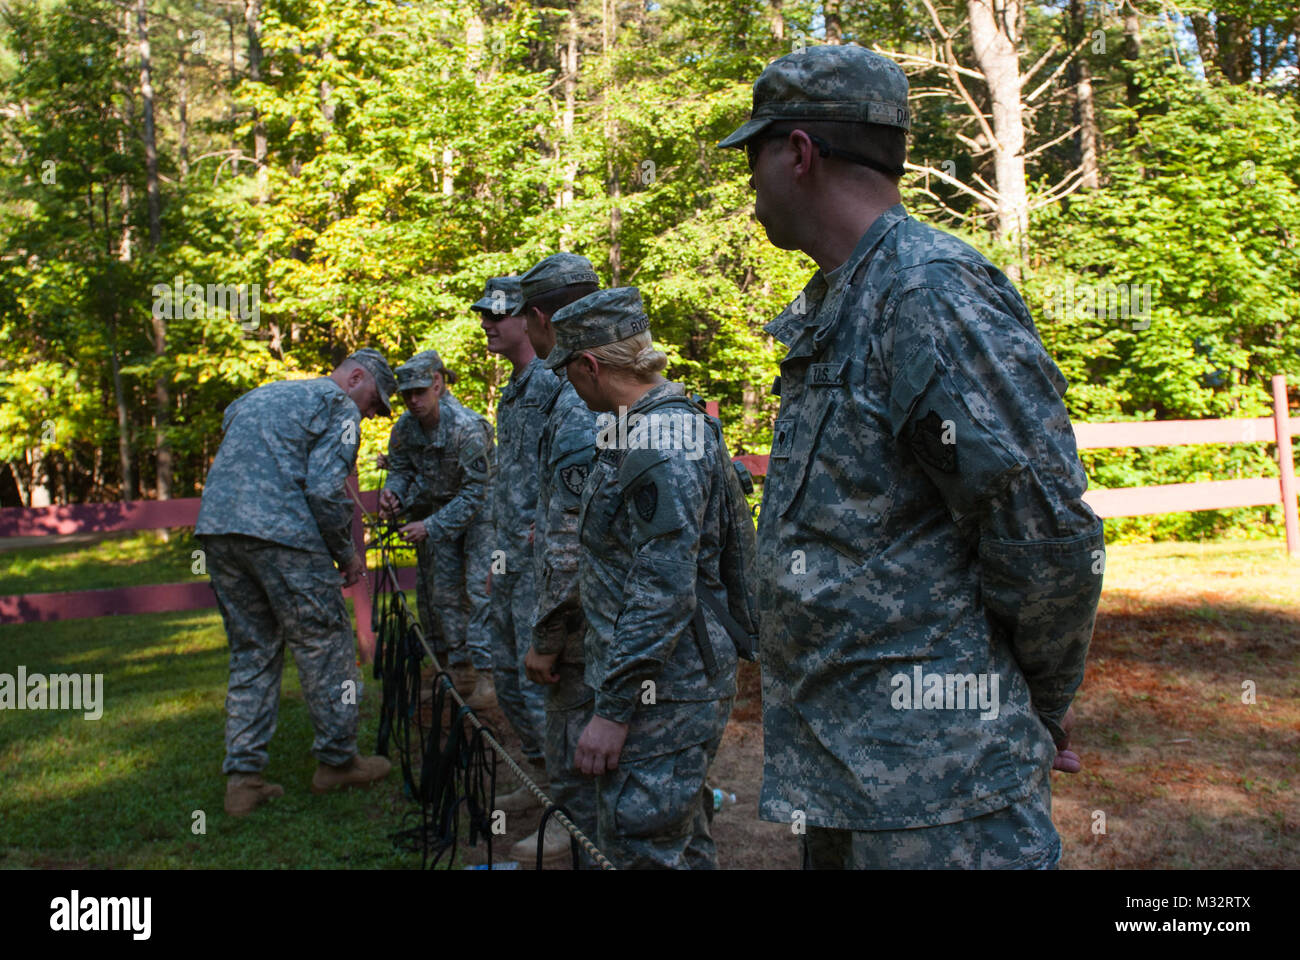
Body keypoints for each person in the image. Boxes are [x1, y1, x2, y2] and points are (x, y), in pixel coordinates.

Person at [718, 43, 1105, 869]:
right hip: (853, 782)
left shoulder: (928, 293)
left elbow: (1044, 536)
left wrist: (1040, 695)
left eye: (754, 154)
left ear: (798, 153)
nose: (748, 183)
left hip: (943, 800)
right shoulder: (843, 300)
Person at [546, 286, 743, 870]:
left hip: (667, 689)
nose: (569, 387)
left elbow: (662, 587)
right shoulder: (640, 428)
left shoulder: (659, 441)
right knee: (681, 840)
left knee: (641, 845)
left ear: (590, 365)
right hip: (663, 682)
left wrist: (613, 710)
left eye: (570, 372)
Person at [197, 348, 397, 817]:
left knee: (253, 649)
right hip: (283, 534)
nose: (372, 413)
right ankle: (338, 761)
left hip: (218, 531)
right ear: (355, 376)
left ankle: (243, 781)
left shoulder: (261, 396)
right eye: (375, 401)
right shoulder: (338, 407)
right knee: (324, 642)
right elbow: (325, 489)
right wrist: (345, 555)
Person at [514, 252, 601, 862]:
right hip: (610, 619)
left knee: (581, 756)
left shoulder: (575, 401)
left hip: (587, 631)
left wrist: (546, 636)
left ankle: (584, 846)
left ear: (540, 317)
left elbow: (570, 544)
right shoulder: (601, 384)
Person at [471, 274, 555, 813]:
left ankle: (565, 809)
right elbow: (508, 481)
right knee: (506, 677)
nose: (487, 324)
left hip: (544, 567)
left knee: (538, 686)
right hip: (509, 562)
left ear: (527, 318)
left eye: (498, 315)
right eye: (484, 314)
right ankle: (542, 783)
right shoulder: (513, 390)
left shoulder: (554, 384)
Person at [378, 350, 495, 699]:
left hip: (481, 512)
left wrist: (430, 526)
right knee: (441, 593)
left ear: (438, 385)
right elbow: (400, 468)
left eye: (420, 391)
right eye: (406, 395)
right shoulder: (404, 429)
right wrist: (393, 494)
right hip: (439, 510)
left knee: (479, 589)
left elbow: (476, 492)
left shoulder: (467, 428)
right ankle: (457, 671)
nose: (413, 400)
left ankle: (487, 675)